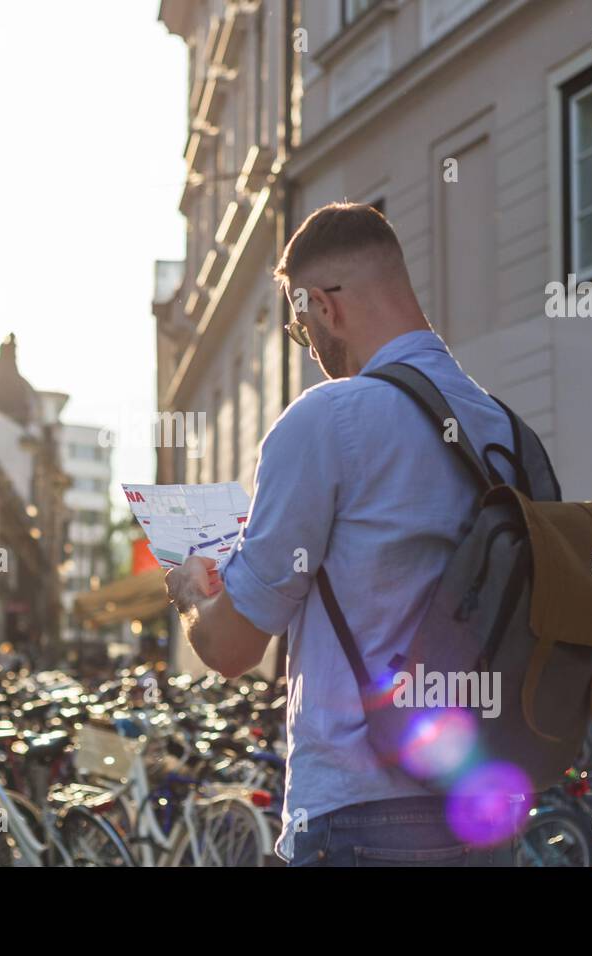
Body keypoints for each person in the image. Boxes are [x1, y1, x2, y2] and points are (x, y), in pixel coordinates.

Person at [165, 202, 521, 867]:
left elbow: (233, 647)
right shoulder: (499, 426)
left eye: (302, 329)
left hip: (362, 815)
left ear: (324, 307)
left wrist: (190, 591)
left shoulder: (332, 418)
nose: (309, 347)